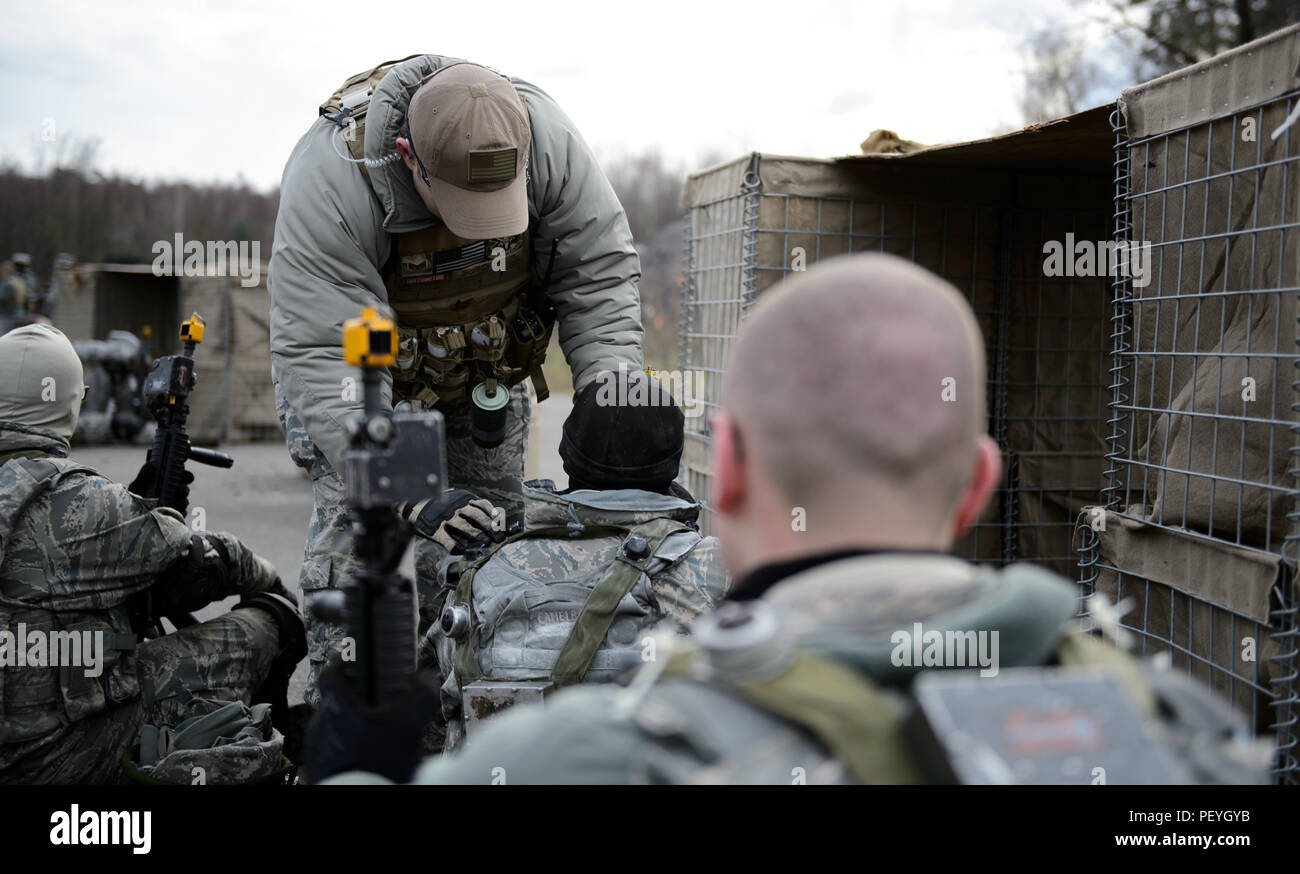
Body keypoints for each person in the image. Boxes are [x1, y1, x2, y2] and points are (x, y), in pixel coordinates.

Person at [311, 253, 1270, 785]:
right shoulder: (1177, 737)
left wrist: (366, 737)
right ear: (978, 487)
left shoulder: (587, 760)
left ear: (726, 470)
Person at [269, 54, 644, 710]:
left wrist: (615, 407)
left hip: (480, 378)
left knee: (489, 548)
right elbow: (329, 360)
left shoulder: (548, 142)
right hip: (364, 382)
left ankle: (469, 720)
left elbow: (600, 276)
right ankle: (354, 735)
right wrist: (411, 493)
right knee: (367, 551)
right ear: (409, 159)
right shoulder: (334, 182)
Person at [0, 324, 306, 784]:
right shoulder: (86, 501)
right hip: (51, 760)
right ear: (71, 403)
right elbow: (204, 562)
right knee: (268, 622)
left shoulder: (84, 501)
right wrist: (271, 582)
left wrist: (131, 503)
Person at [415, 368, 727, 751]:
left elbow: (433, 706)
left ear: (566, 458)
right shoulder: (713, 571)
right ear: (673, 463)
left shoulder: (481, 575)